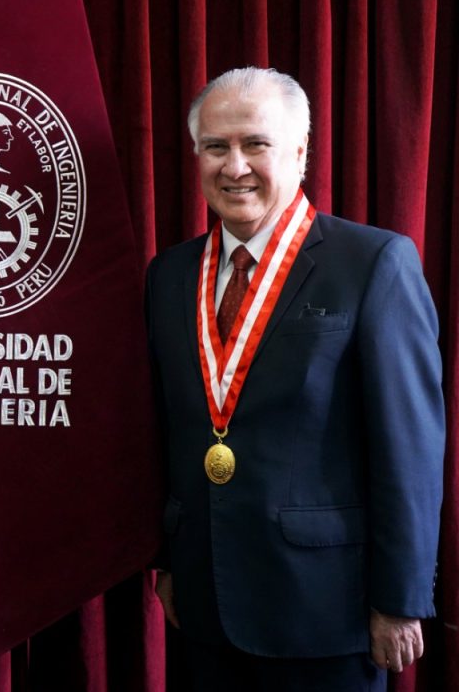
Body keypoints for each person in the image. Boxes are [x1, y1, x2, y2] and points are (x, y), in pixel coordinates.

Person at [146, 67, 444, 691]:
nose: (235, 168)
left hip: (326, 612)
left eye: (255, 144)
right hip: (203, 606)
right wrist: (168, 563)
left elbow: (409, 450)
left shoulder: (374, 264)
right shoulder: (168, 276)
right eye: (216, 147)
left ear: (301, 153)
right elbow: (167, 431)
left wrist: (401, 598)